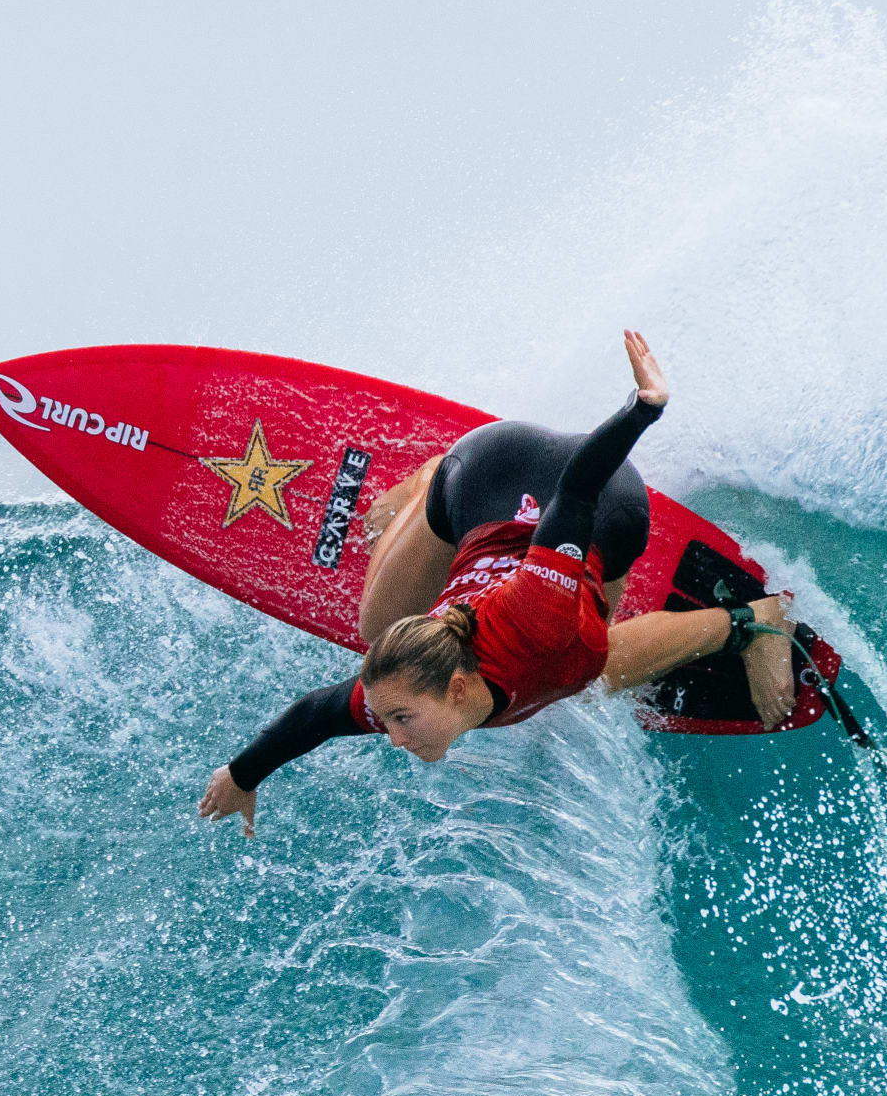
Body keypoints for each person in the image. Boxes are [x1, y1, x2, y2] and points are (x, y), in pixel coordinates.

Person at [194, 332, 800, 834]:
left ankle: (755, 621)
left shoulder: (532, 617)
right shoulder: (413, 687)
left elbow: (578, 492)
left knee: (390, 631)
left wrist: (643, 408)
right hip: (525, 518)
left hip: (519, 473)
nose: (391, 736)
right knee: (573, 653)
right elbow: (319, 714)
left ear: (458, 688)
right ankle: (433, 497)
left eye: (401, 720)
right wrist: (240, 777)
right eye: (392, 721)